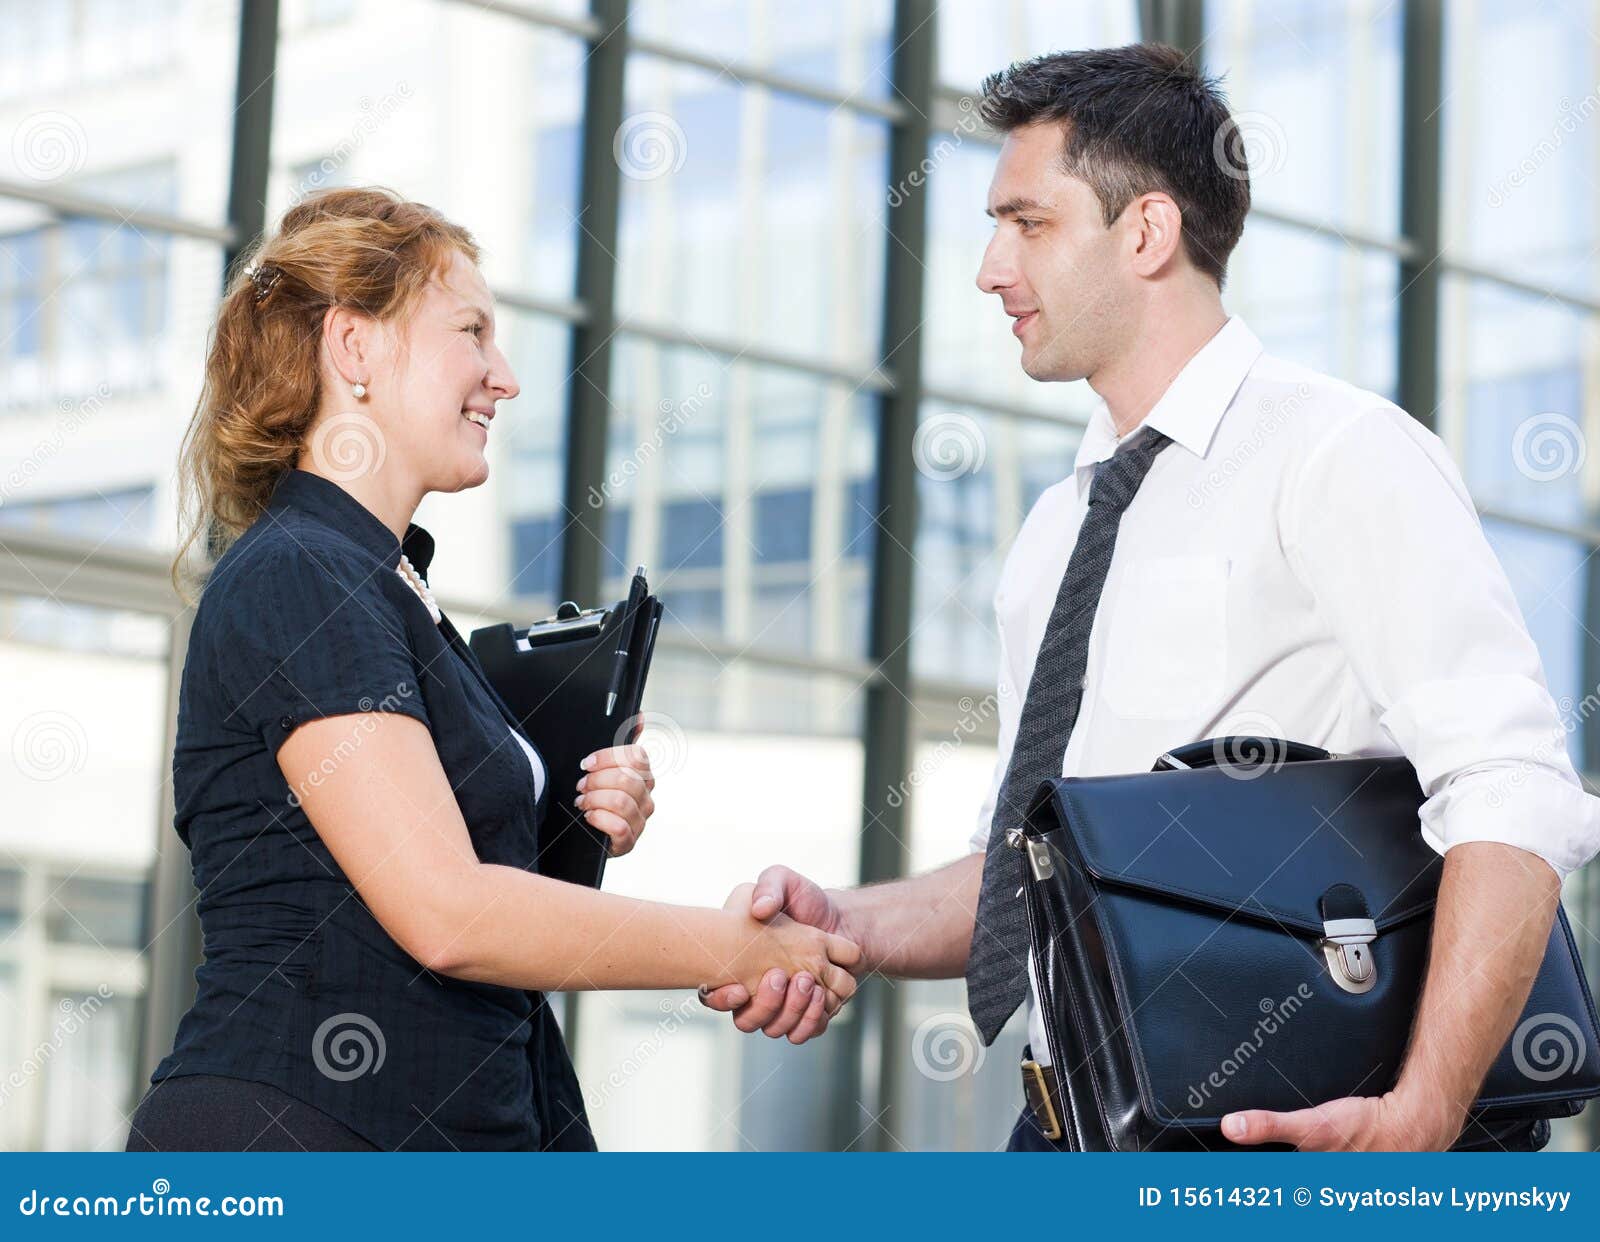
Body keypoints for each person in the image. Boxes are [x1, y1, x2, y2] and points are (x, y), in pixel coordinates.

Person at [701, 43, 1600, 1151]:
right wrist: (846, 923)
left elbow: (1510, 787)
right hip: (1072, 1131)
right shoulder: (1054, 535)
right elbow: (1030, 875)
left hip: (1292, 1133)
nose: (988, 269)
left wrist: (1424, 1111)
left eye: (1026, 223)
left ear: (1146, 233)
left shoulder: (1338, 454)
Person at [126, 187, 859, 1153]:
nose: (503, 377)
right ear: (354, 349)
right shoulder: (306, 576)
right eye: (471, 330)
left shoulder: (389, 593)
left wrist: (569, 820)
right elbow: (446, 914)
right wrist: (735, 947)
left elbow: (467, 901)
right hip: (307, 1133)